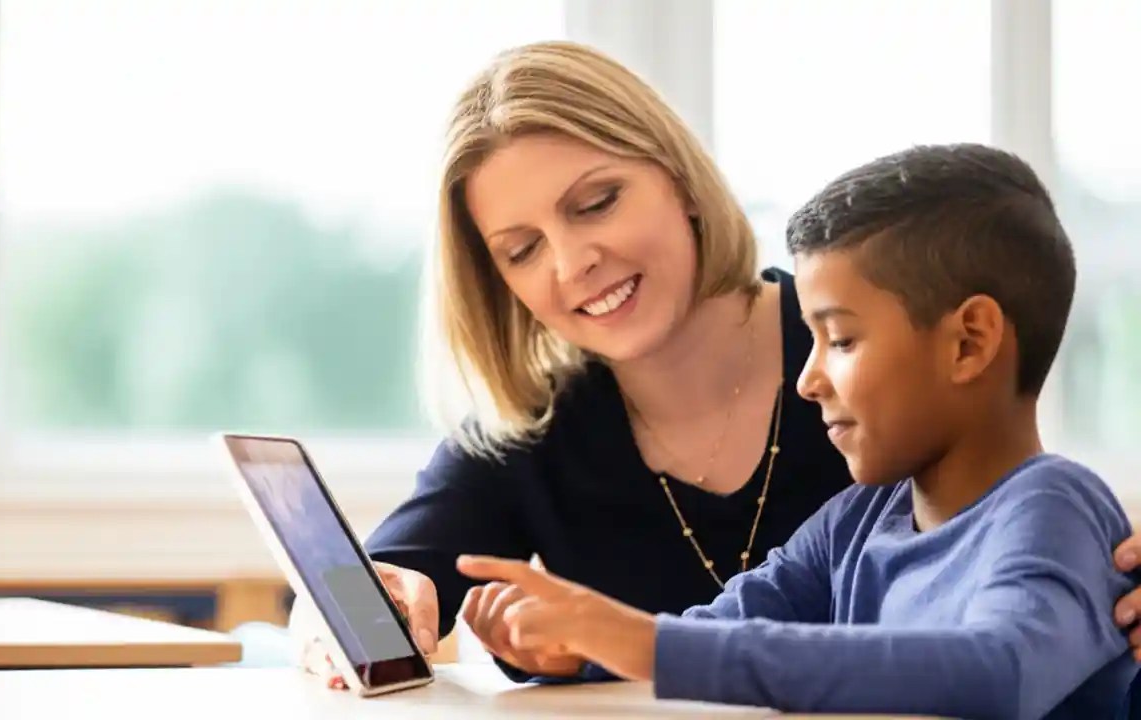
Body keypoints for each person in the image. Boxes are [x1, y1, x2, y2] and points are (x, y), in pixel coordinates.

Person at [296, 39, 1141, 685]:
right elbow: (385, 577)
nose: (572, 263)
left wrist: (630, 642)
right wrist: (348, 610)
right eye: (521, 250)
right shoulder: (852, 516)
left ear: (678, 179)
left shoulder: (890, 380)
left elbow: (1002, 638)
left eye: (597, 203)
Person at [457, 143, 1137, 718]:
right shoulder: (856, 522)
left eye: (840, 340)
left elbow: (996, 671)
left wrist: (648, 647)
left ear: (969, 343)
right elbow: (715, 632)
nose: (808, 380)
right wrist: (582, 648)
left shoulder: (1053, 508)